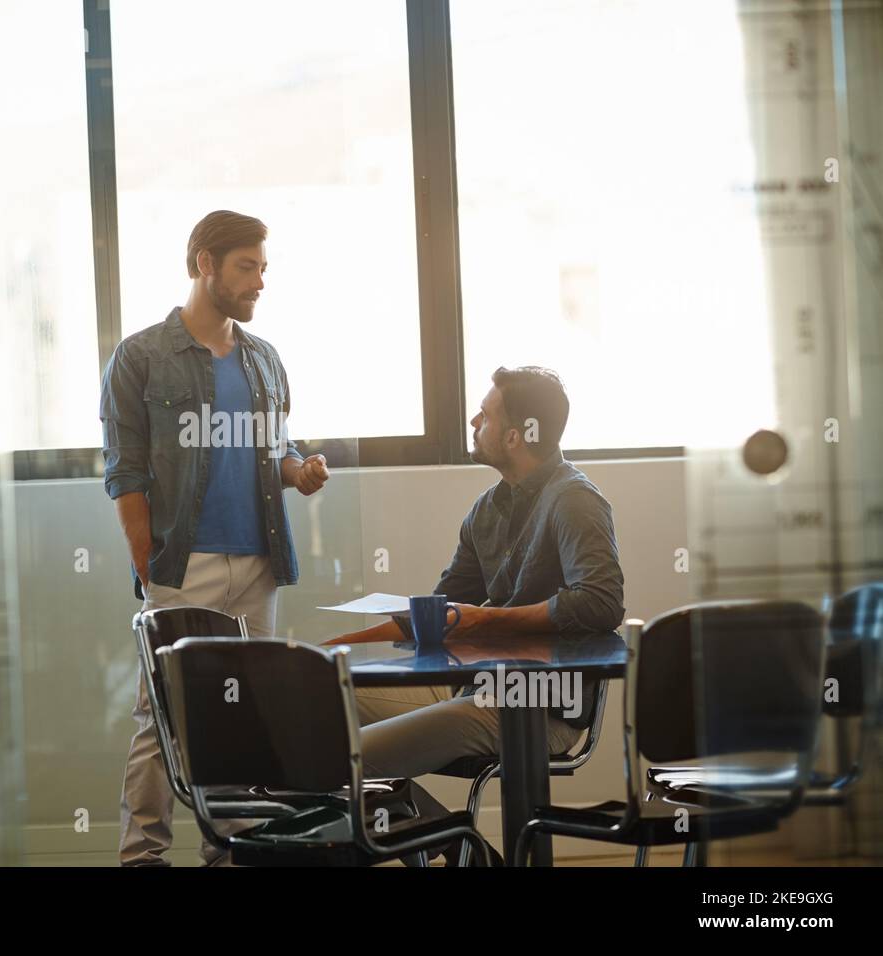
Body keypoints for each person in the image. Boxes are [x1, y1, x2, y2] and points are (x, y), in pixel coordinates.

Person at [100, 209, 330, 866]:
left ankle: (230, 852)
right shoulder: (141, 358)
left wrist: (301, 472)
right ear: (206, 263)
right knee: (166, 717)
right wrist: (151, 567)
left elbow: (272, 455)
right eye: (246, 267)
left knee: (243, 716)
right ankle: (143, 856)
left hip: (257, 565)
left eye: (262, 267)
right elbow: (127, 473)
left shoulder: (264, 361)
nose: (259, 281)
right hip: (185, 566)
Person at [326, 366, 625, 781]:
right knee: (317, 702)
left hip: (540, 705)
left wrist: (486, 618)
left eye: (484, 414)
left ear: (514, 436)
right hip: (475, 687)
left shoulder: (575, 500)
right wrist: (331, 652)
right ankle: (435, 837)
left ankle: (438, 837)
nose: (473, 421)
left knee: (341, 757)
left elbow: (601, 602)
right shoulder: (487, 509)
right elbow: (434, 615)